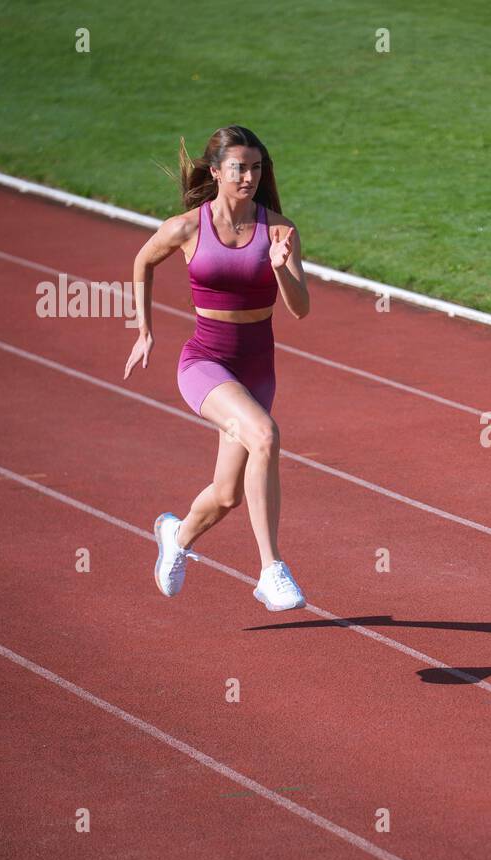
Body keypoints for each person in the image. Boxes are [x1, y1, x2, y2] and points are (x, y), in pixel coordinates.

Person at [124, 125, 310, 611]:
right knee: (265, 435)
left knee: (227, 495)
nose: (249, 176)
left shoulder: (280, 229)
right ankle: (271, 570)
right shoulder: (187, 226)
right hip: (205, 363)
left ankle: (175, 535)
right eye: (239, 168)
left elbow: (300, 308)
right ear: (216, 172)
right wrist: (145, 330)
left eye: (256, 167)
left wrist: (277, 267)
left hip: (256, 370)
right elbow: (143, 262)